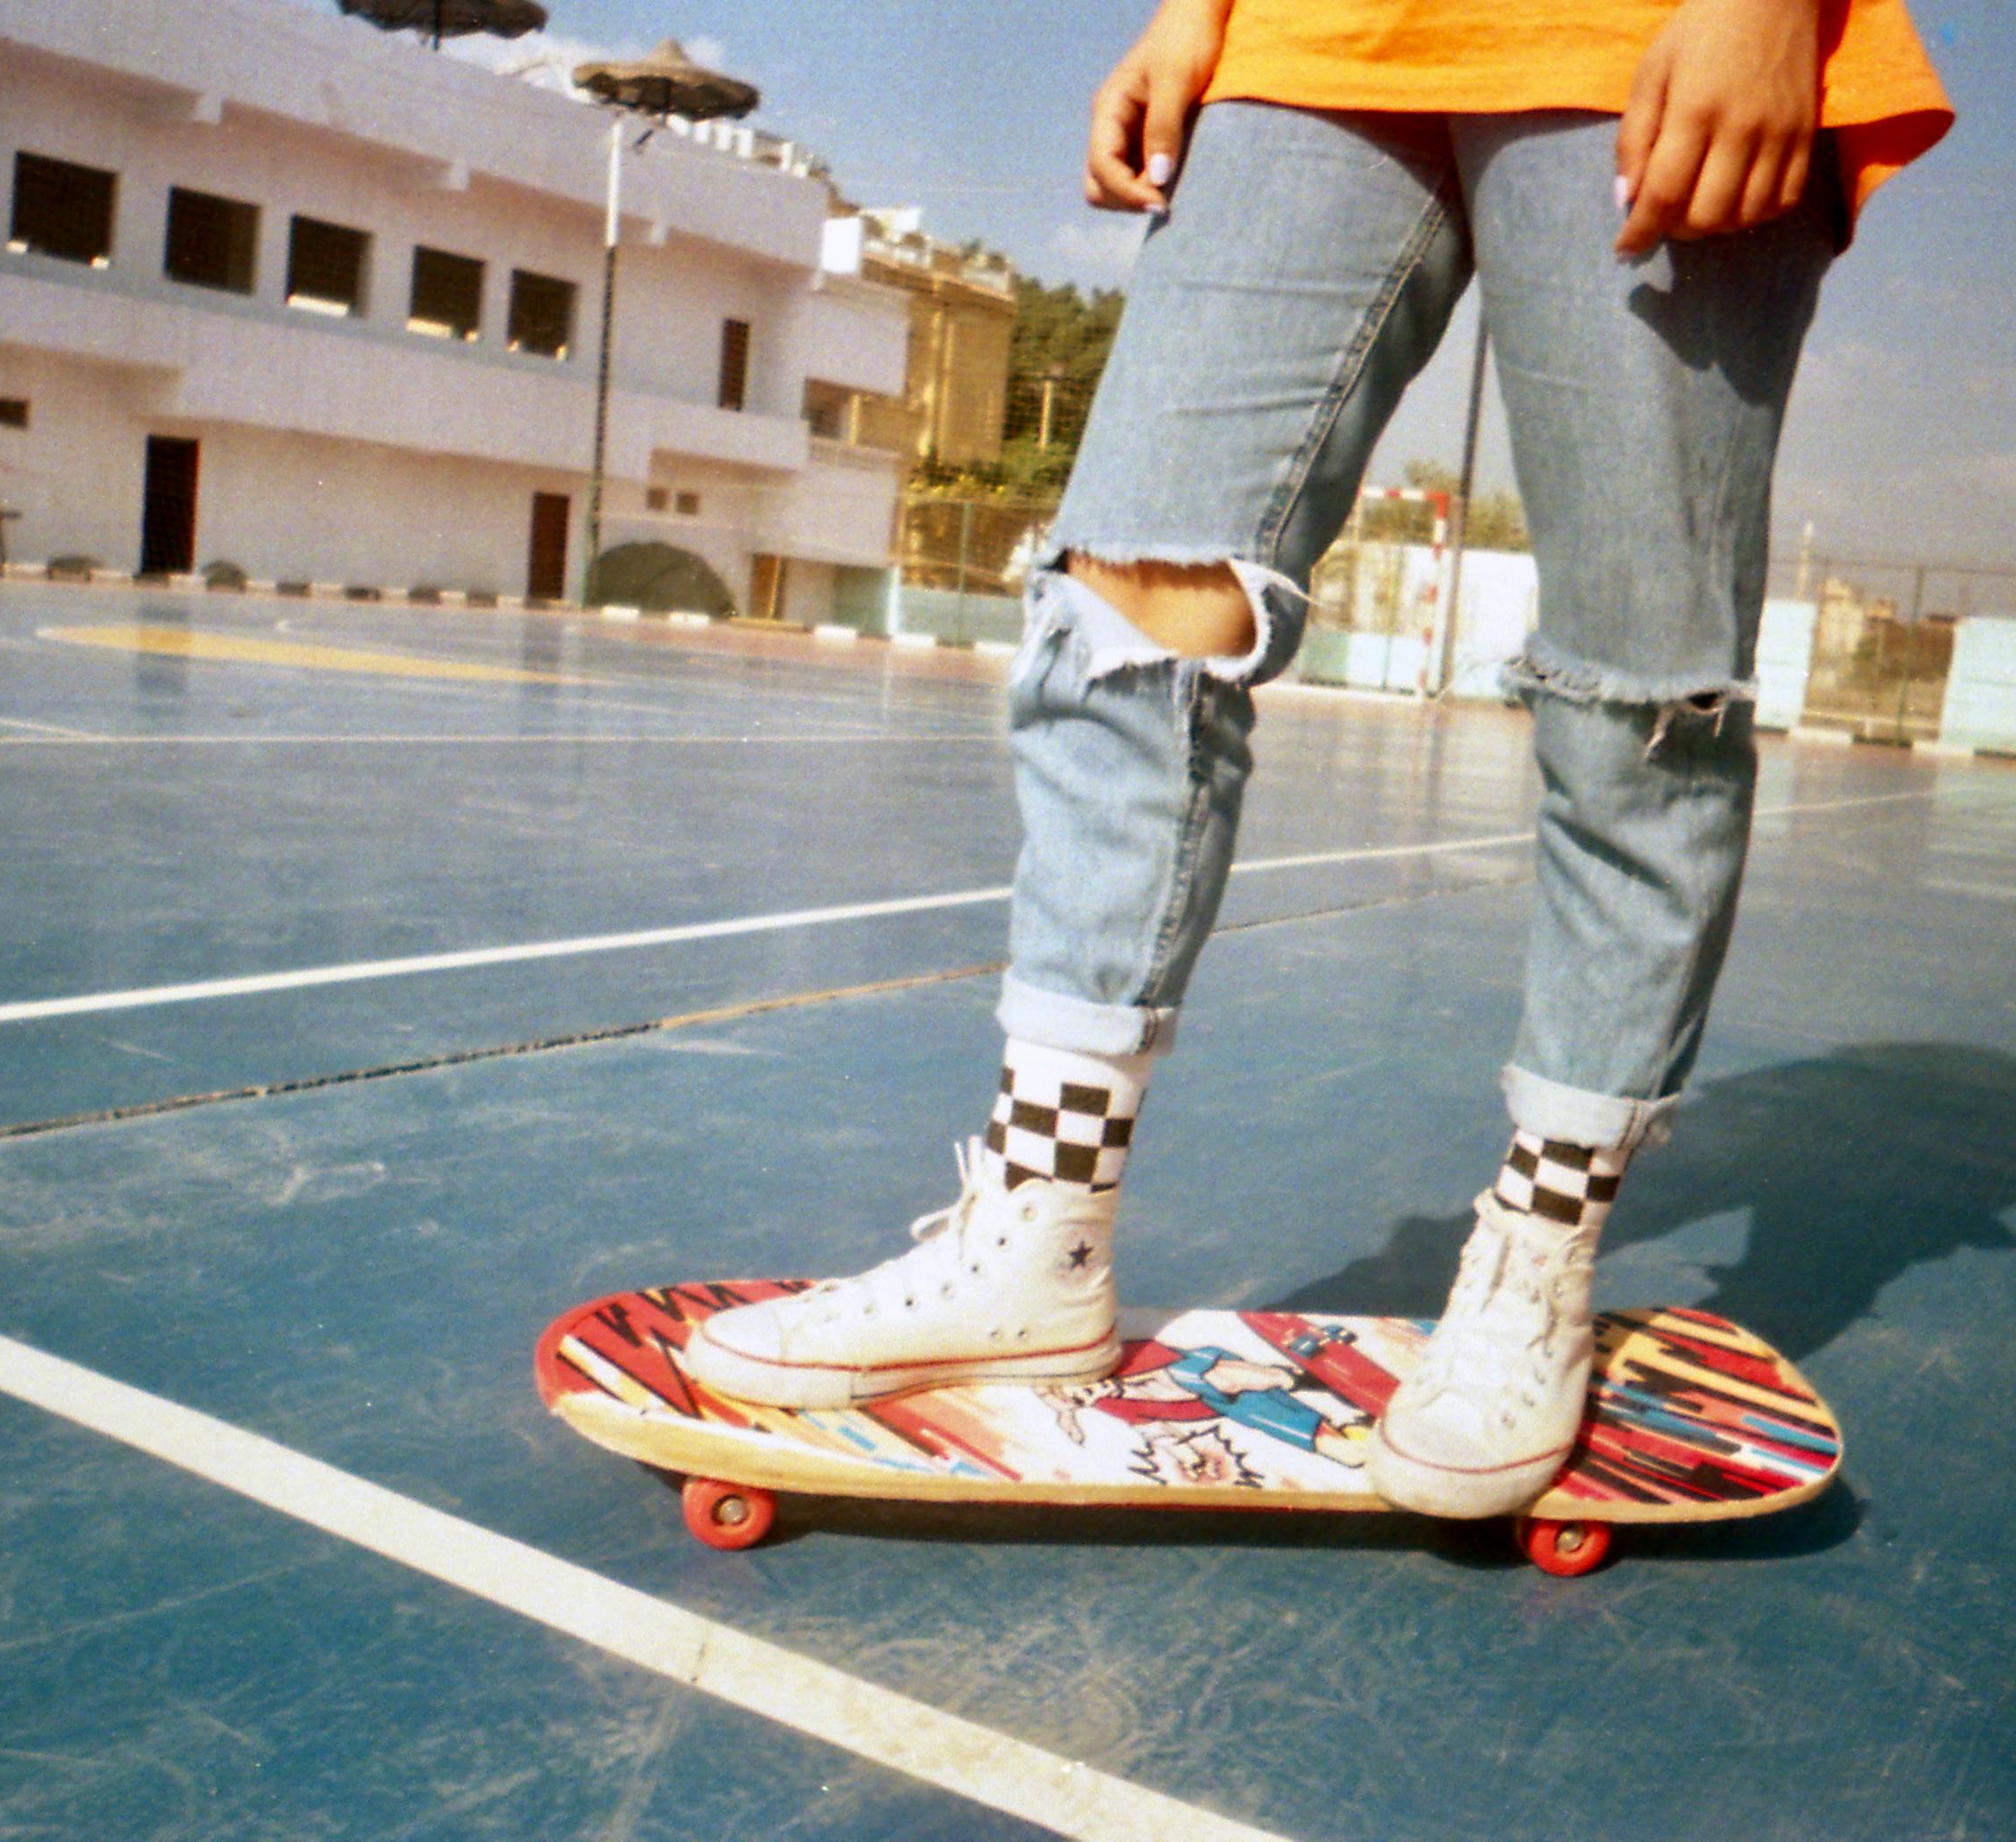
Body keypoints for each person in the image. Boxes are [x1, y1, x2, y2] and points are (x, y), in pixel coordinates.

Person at [683, 0, 1951, 1518]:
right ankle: (1037, 1230)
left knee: (1640, 696)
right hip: (1320, 33)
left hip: (1644, 26)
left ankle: (1536, 1261)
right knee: (1129, 605)